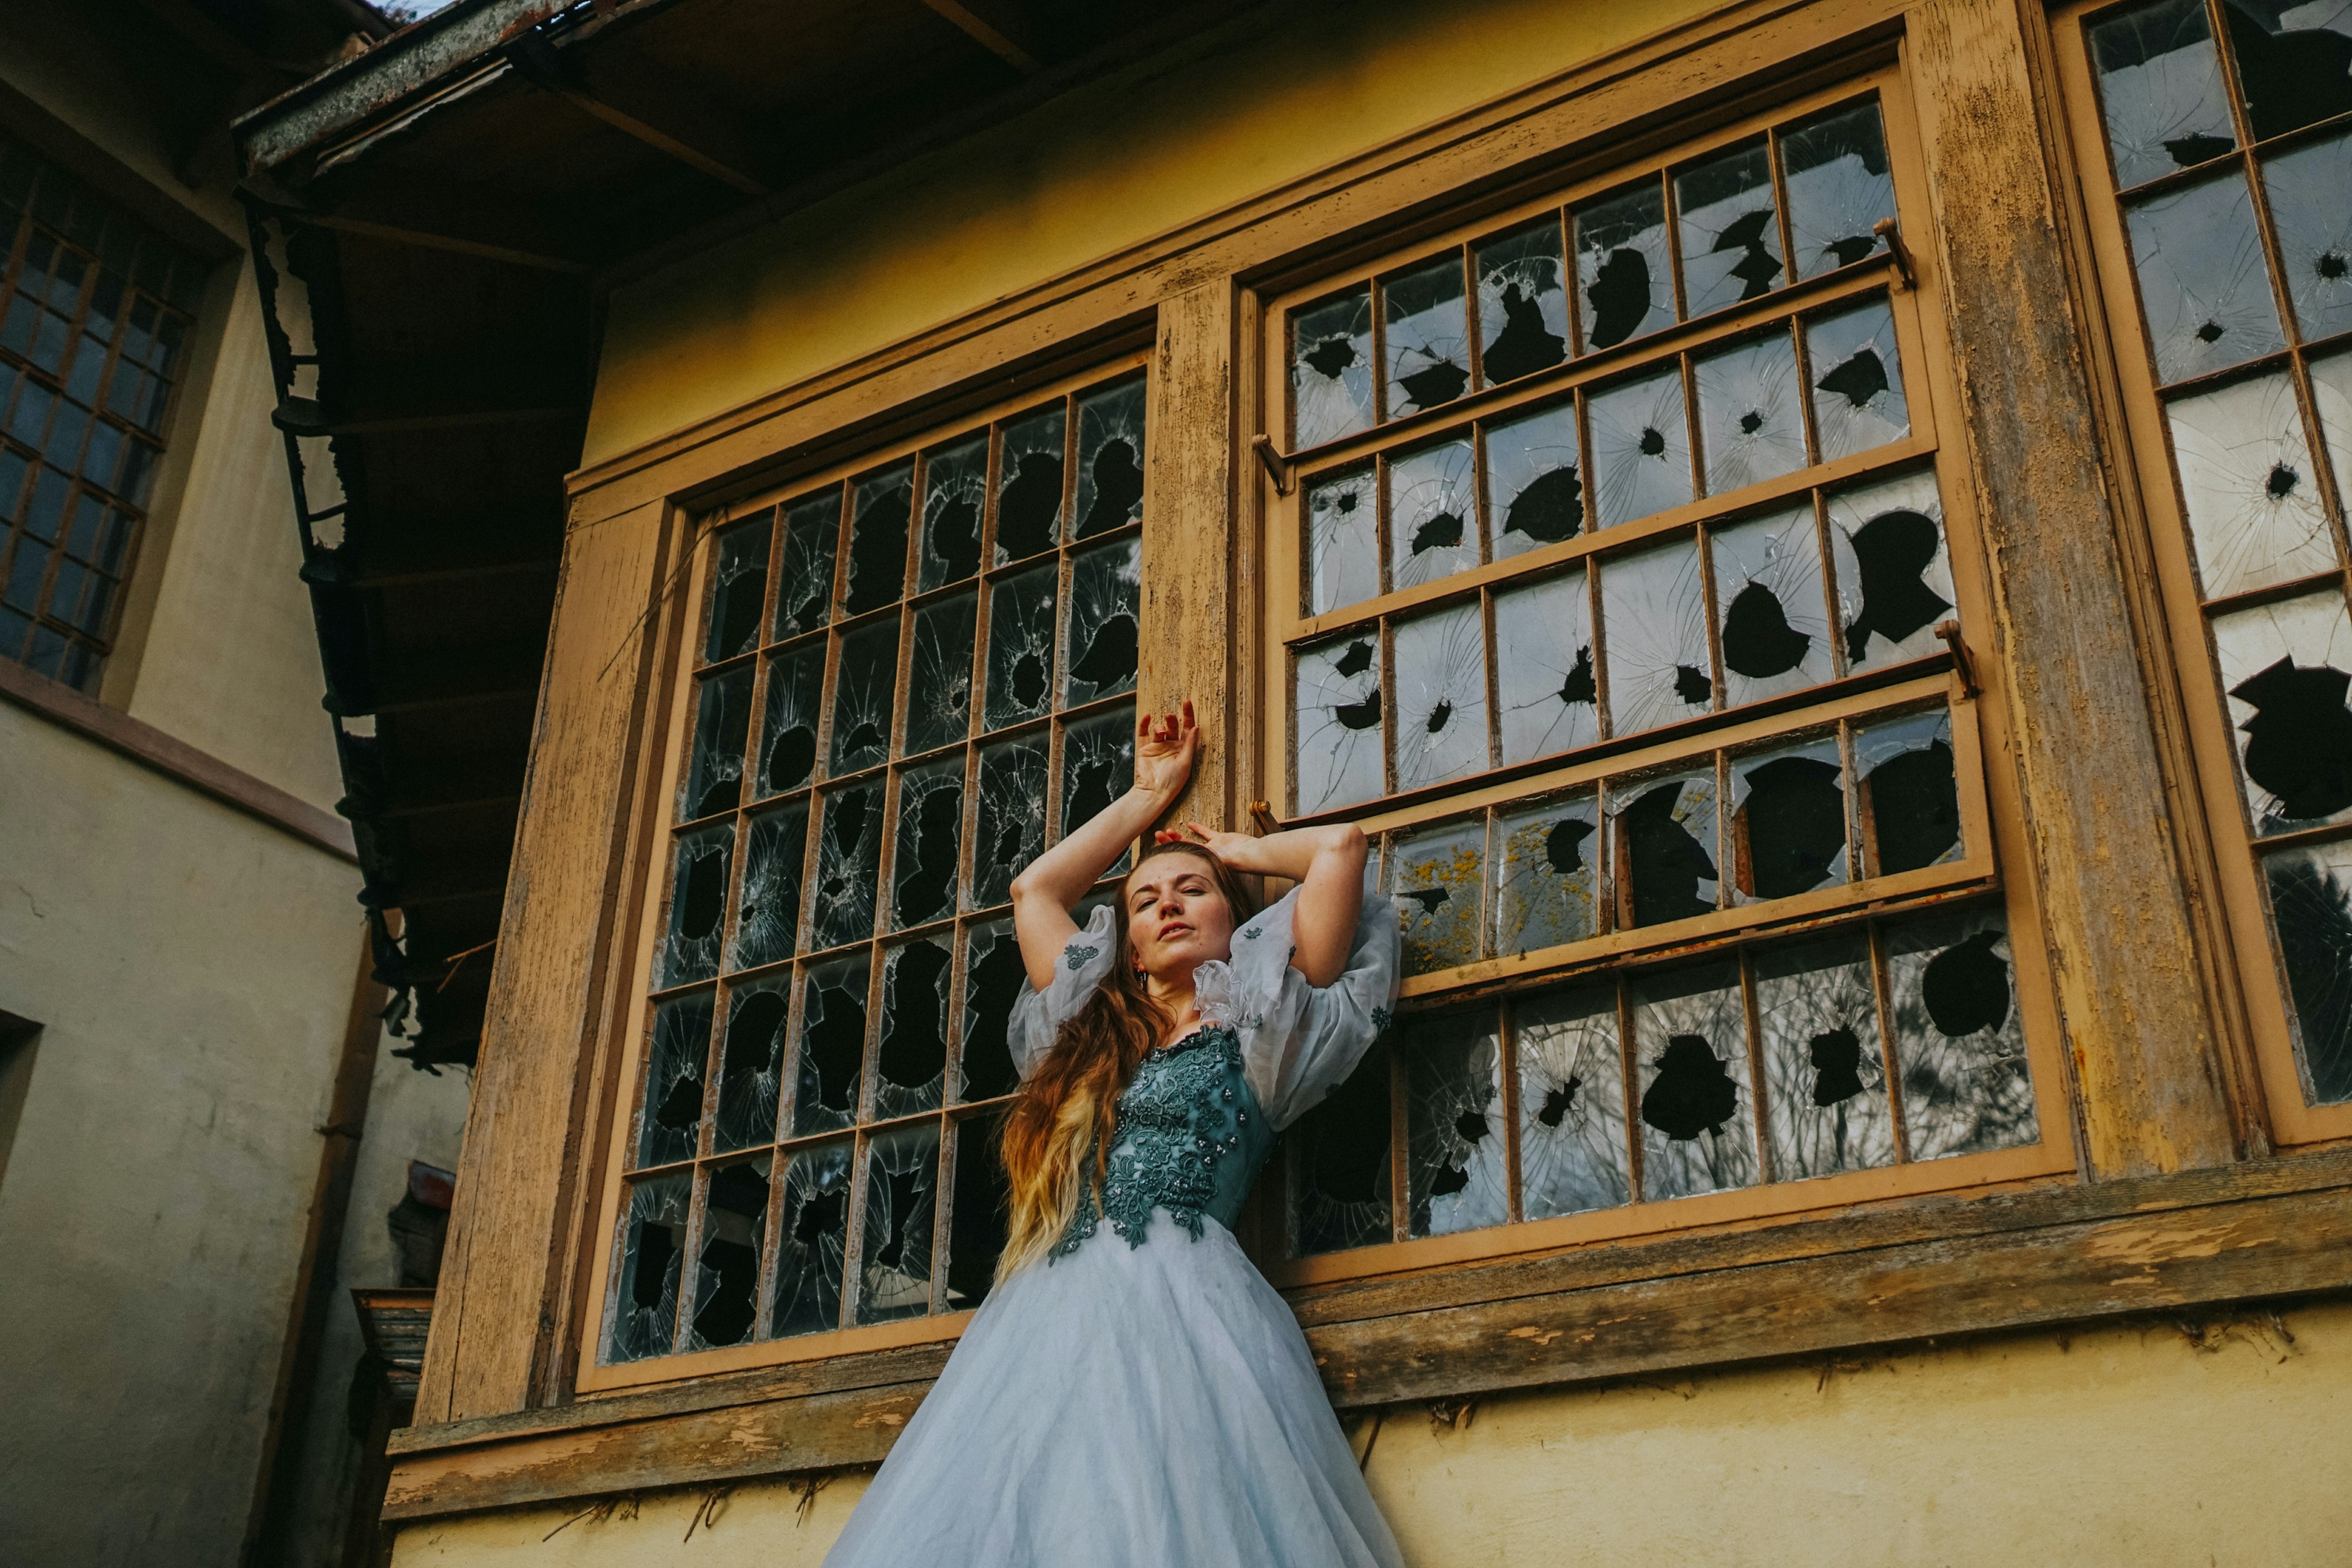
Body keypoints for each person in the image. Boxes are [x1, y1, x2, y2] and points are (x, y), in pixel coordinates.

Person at [823, 700, 1406, 1567]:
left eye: (1191, 892)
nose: (1168, 905)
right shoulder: (1083, 1038)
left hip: (1191, 1314)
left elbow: (1340, 850)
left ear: (1233, 919)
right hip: (1044, 1313)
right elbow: (1035, 891)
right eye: (1145, 900)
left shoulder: (1266, 1027)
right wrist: (1146, 797)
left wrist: (1233, 852)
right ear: (1127, 945)